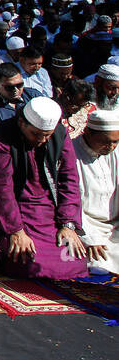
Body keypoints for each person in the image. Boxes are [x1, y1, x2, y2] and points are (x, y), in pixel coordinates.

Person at [0, 97, 87, 280]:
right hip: (19, 213)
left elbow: (69, 179)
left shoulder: (59, 134)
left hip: (51, 212)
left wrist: (68, 224)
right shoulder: (1, 135)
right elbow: (1, 188)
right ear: (22, 122)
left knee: (74, 260)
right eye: (36, 134)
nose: (42, 140)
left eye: (47, 135)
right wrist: (16, 231)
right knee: (28, 262)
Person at [75, 109, 119, 274]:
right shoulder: (70, 154)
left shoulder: (115, 151)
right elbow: (70, 203)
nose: (111, 147)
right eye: (106, 142)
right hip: (84, 226)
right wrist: (90, 237)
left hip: (114, 227)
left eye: (115, 142)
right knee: (98, 265)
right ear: (88, 133)